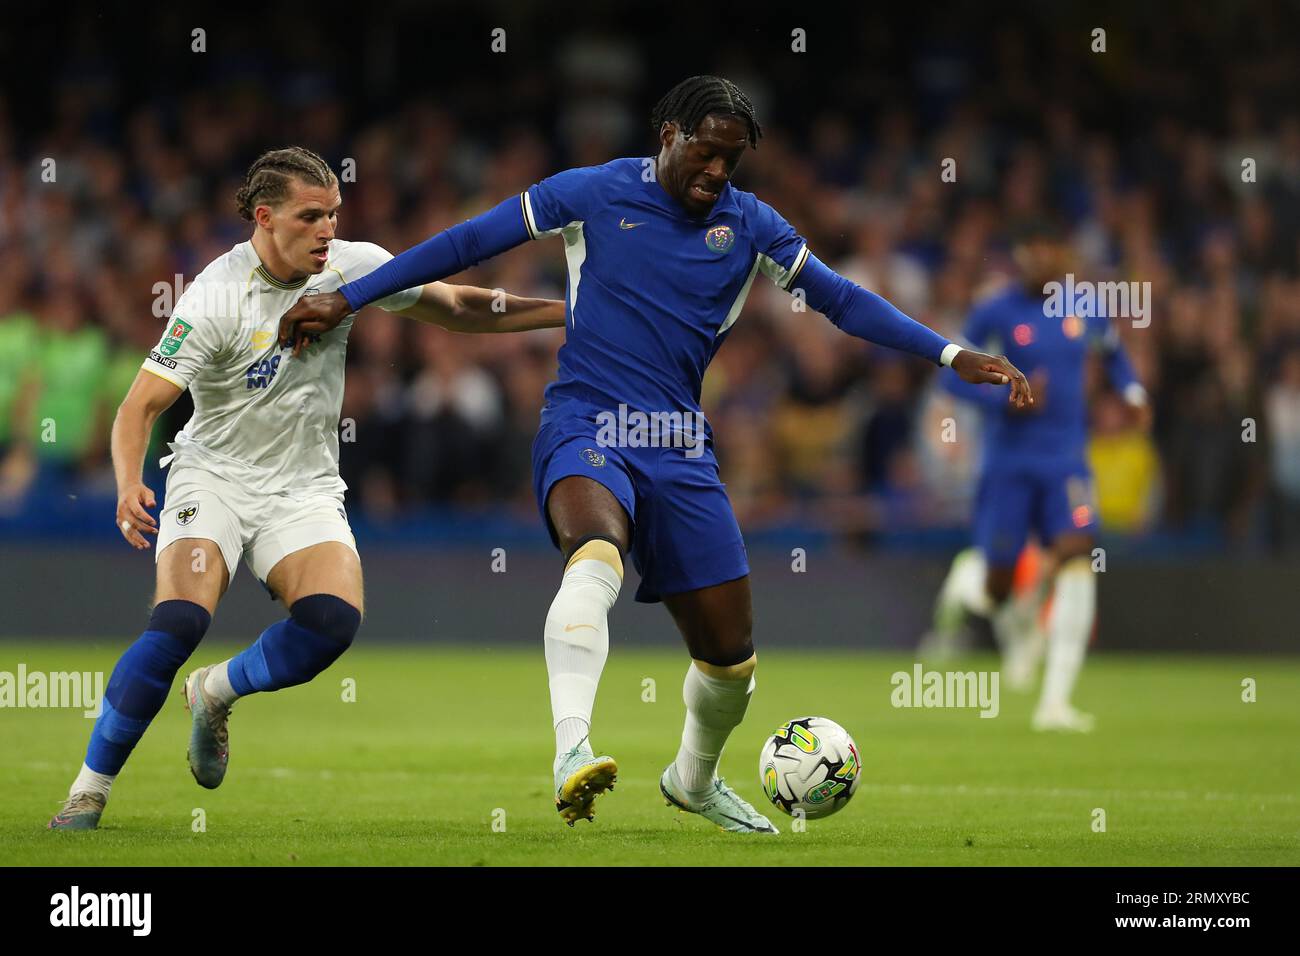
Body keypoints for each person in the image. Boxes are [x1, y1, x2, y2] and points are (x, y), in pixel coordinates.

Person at [280, 77, 1030, 833]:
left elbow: (840, 299)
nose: (716, 174)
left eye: (730, 162)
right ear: (669, 134)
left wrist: (949, 352)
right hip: (586, 423)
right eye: (705, 154)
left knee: (732, 662)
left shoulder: (751, 225)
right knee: (595, 554)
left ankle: (692, 781)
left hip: (677, 446)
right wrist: (349, 296)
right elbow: (470, 243)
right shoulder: (597, 191)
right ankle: (572, 751)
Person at [49, 147, 565, 829]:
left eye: (334, 215)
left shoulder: (354, 266)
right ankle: (88, 790)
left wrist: (575, 311)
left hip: (304, 487)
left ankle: (216, 692)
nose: (328, 230)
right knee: (179, 622)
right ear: (265, 218)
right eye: (311, 216)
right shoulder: (215, 297)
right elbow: (137, 408)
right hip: (215, 477)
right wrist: (125, 485)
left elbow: (462, 308)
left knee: (331, 623)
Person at [943, 220, 1149, 732]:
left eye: (1051, 248)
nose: (1043, 259)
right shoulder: (995, 309)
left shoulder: (1085, 308)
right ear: (1019, 255)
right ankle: (965, 583)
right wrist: (1003, 398)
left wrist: (1133, 393)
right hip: (1008, 464)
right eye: (1033, 250)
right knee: (998, 587)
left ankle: (1054, 704)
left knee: (1079, 553)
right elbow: (952, 376)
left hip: (1066, 462)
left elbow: (1115, 358)